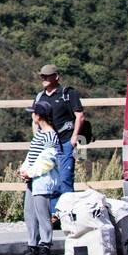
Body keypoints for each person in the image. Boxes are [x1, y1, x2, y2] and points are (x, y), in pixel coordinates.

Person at [32, 64, 85, 215]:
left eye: (46, 76)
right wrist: (37, 138)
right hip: (48, 144)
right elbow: (34, 119)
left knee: (65, 178)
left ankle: (67, 215)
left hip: (66, 141)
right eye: (42, 76)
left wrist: (75, 137)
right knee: (51, 179)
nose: (43, 79)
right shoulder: (39, 97)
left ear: (56, 77)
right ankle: (56, 216)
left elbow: (79, 116)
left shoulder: (68, 93)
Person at [18, 100, 60, 255]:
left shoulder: (50, 135)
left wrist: (31, 172)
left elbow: (47, 161)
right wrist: (24, 169)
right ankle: (32, 246)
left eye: (34, 113)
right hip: (32, 179)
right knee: (30, 213)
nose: (32, 116)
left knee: (43, 215)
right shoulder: (40, 134)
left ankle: (45, 247)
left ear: (39, 116)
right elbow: (32, 155)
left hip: (42, 180)